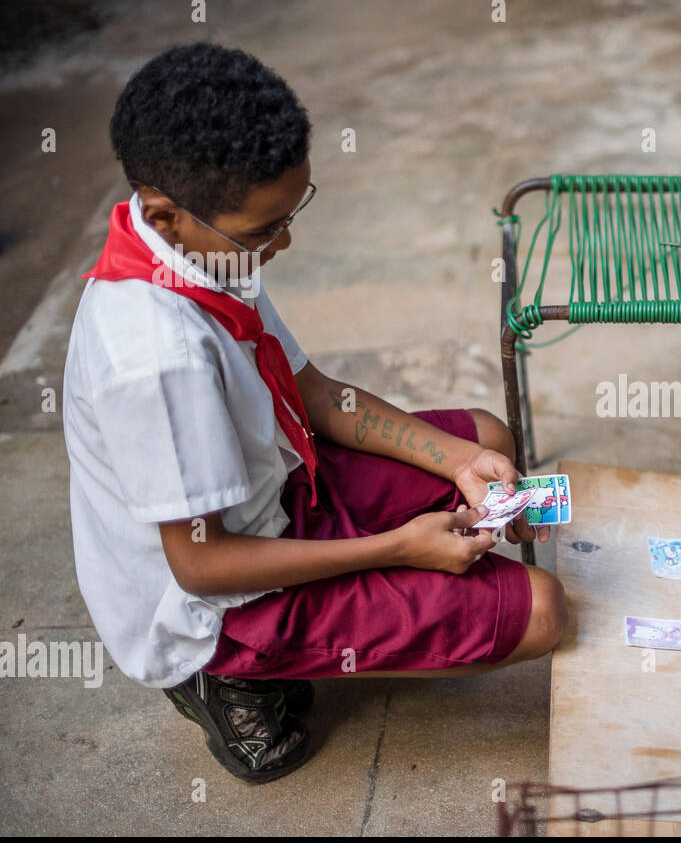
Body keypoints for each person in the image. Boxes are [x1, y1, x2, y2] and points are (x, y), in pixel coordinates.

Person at [62, 43, 566, 784]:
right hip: (214, 604)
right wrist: (398, 546)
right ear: (168, 215)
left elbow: (316, 395)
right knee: (544, 609)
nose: (285, 242)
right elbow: (203, 564)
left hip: (270, 491)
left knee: (488, 436)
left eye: (291, 213)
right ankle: (228, 682)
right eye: (266, 229)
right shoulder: (155, 357)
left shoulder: (205, 253)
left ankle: (396, 539)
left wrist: (460, 462)